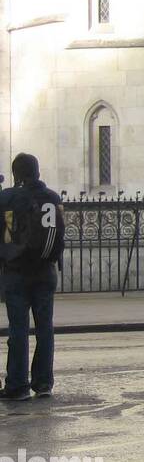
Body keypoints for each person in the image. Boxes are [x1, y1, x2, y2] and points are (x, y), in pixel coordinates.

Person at [0, 153, 64, 400]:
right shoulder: (52, 198)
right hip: (46, 270)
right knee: (45, 328)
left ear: (16, 174)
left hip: (17, 271)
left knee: (18, 329)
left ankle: (17, 385)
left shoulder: (8, 198)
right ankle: (44, 383)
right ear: (37, 172)